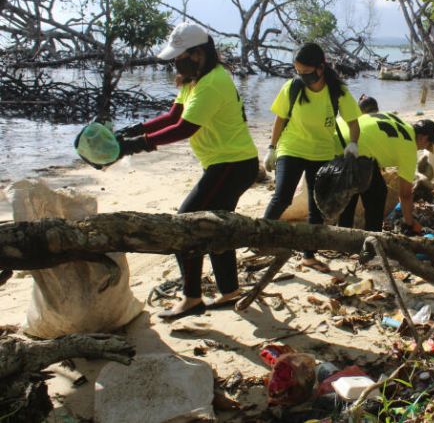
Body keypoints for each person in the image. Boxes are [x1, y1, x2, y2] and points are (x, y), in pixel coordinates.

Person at [115, 22, 259, 320]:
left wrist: (136, 146)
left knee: (186, 224)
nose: (174, 63)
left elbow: (184, 128)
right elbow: (173, 115)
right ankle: (230, 291)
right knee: (216, 225)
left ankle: (192, 297)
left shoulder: (214, 82)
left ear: (196, 54)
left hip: (232, 164)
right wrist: (136, 129)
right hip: (226, 163)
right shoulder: (195, 81)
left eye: (179, 57)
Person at [262, 43, 361, 273]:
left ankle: (308, 255)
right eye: (297, 72)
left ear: (320, 68)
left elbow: (353, 123)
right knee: (282, 198)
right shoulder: (293, 87)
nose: (301, 77)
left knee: (316, 206)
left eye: (305, 73)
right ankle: (259, 241)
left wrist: (353, 144)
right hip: (292, 147)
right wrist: (272, 147)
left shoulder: (339, 92)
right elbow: (279, 119)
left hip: (322, 152)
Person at [336, 98, 434, 234]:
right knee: (377, 193)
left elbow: (375, 136)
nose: (422, 149)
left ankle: (343, 232)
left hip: (338, 136)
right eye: (427, 145)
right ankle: (372, 238)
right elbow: (405, 195)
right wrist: (410, 223)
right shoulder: (409, 148)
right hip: (353, 149)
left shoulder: (396, 120)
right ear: (424, 138)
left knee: (354, 187)